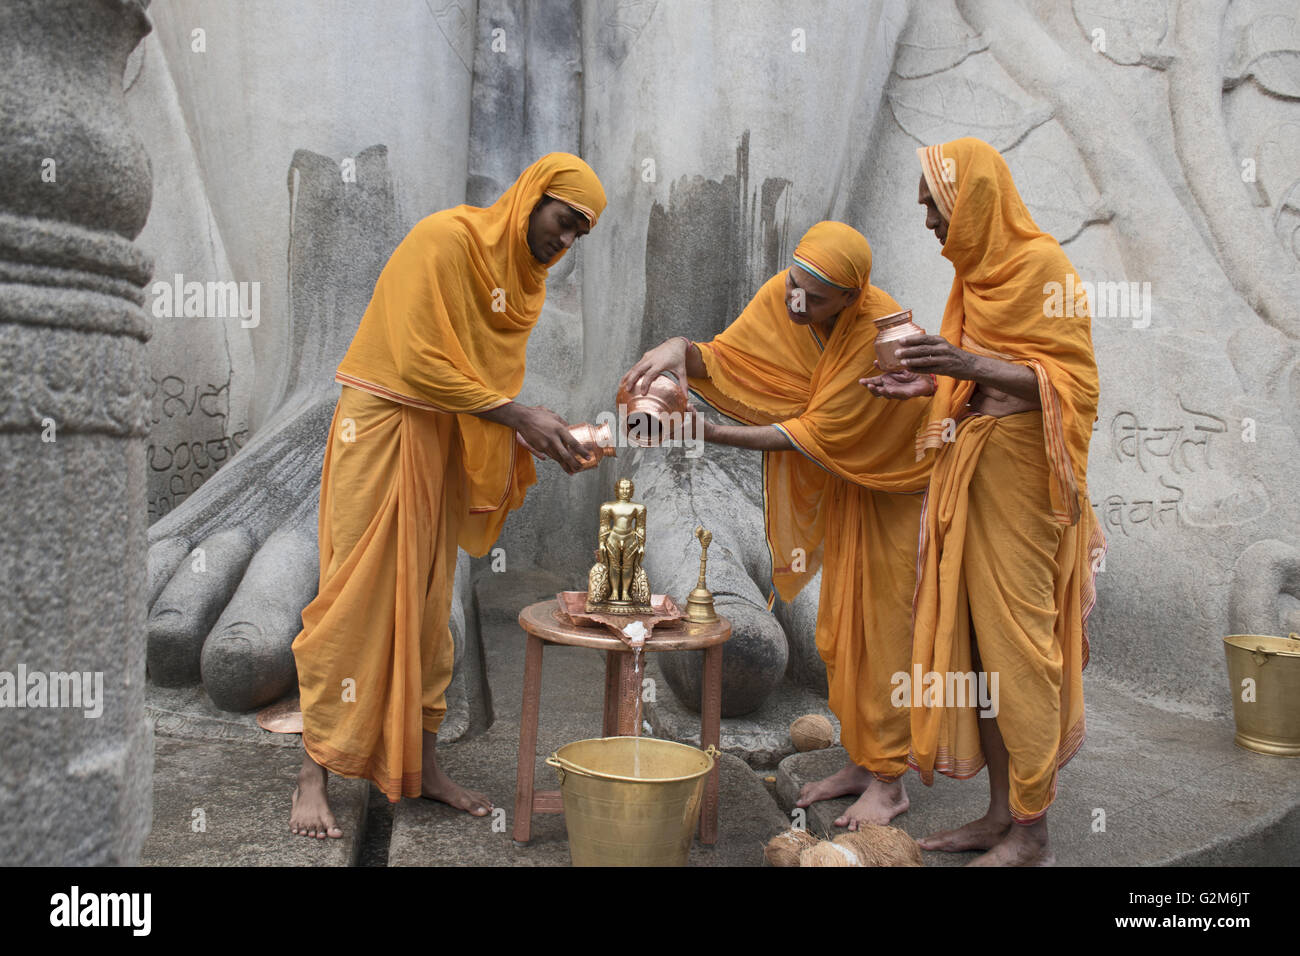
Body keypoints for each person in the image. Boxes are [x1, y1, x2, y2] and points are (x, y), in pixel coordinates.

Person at [289, 153, 607, 838]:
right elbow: (415, 361)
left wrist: (538, 438)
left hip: (440, 443)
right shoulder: (443, 239)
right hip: (378, 429)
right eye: (564, 220)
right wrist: (521, 417)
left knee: (431, 609)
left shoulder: (523, 285)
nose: (566, 240)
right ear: (532, 196)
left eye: (581, 233)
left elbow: (483, 388)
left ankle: (423, 767)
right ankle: (313, 770)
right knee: (353, 596)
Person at [622, 222, 934, 829]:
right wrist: (679, 350)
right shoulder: (786, 296)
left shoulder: (881, 333)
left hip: (894, 494)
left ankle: (892, 782)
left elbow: (807, 437)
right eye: (795, 285)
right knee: (843, 630)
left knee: (887, 630)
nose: (798, 303)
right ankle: (865, 763)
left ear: (851, 298)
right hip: (844, 494)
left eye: (816, 299)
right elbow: (730, 362)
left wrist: (701, 431)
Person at [863, 137, 1104, 865]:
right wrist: (931, 384)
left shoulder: (1042, 267)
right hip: (972, 475)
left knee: (1021, 653)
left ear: (972, 202)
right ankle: (1001, 815)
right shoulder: (974, 279)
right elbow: (984, 385)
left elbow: (1076, 388)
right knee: (978, 653)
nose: (930, 225)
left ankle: (1032, 834)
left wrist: (964, 362)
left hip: (1024, 487)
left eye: (935, 209)